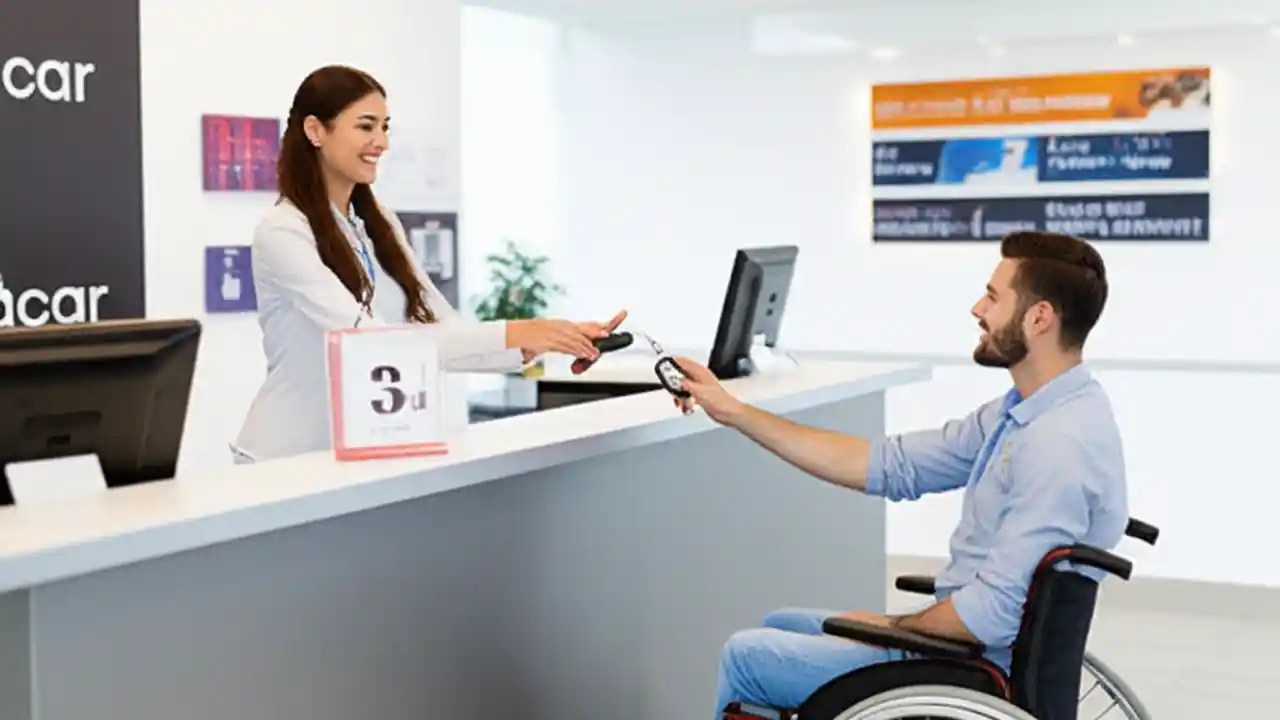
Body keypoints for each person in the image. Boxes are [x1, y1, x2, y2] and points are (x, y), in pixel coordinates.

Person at [671, 231, 1128, 716]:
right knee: (781, 622)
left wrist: (893, 626)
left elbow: (989, 616)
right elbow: (889, 465)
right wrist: (734, 411)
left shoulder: (1056, 446)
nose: (977, 309)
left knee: (748, 656)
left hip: (969, 666)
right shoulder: (1028, 414)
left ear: (1038, 318)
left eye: (993, 296)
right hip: (968, 648)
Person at [234, 65, 621, 462]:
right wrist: (520, 331)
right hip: (288, 456)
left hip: (362, 451)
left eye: (385, 127)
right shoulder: (283, 232)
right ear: (315, 131)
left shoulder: (379, 221)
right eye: (366, 127)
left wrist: (535, 343)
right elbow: (373, 344)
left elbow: (438, 325)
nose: (381, 142)